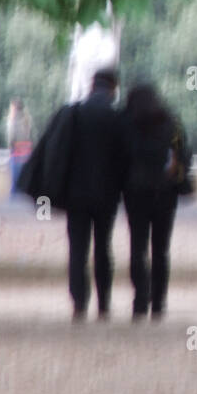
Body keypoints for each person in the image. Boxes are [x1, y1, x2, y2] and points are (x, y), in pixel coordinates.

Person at [122, 83, 192, 320]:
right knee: (161, 250)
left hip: (135, 193)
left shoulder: (126, 123)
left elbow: (118, 157)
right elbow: (185, 155)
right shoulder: (172, 123)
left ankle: (140, 300)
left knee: (137, 248)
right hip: (165, 194)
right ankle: (159, 304)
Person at [64, 67, 129, 322]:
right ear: (113, 88)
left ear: (92, 86)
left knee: (77, 250)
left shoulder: (74, 114)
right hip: (106, 195)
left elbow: (62, 154)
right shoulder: (118, 118)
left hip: (76, 195)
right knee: (103, 248)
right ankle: (103, 305)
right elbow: (125, 158)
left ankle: (79, 304)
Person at [5, 98, 34, 197]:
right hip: (27, 153)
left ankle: (13, 208)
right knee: (24, 183)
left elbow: (11, 139)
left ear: (14, 108)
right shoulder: (27, 120)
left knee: (15, 184)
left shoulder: (12, 121)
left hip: (16, 154)